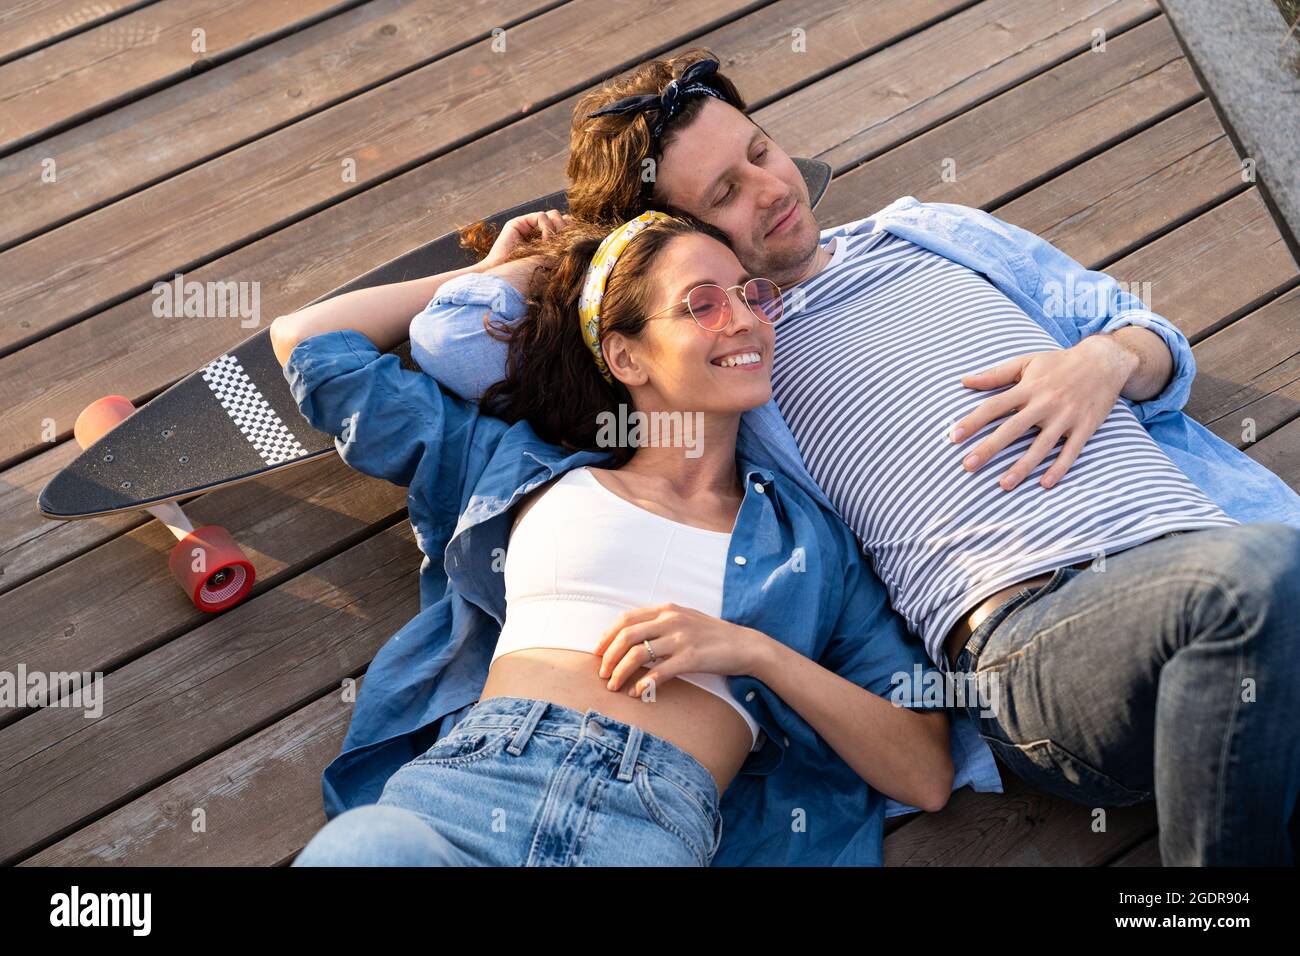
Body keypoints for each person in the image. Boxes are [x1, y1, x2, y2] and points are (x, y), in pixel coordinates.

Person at [403, 51, 1300, 865]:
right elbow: (450, 341)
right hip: (1045, 637)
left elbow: (1142, 335)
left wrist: (1102, 362)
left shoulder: (931, 231)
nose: (769, 188)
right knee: (1252, 581)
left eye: (759, 151)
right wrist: (545, 259)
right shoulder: (729, 357)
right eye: (721, 196)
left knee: (1262, 591)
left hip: (1211, 549)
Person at [274, 211, 1000, 866]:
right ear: (625, 358)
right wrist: (495, 274)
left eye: (751, 296)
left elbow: (924, 772)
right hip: (470, 789)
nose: (744, 320)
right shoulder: (519, 472)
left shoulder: (812, 546)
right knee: (365, 847)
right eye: (703, 304)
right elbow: (307, 342)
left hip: (649, 825)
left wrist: (754, 653)